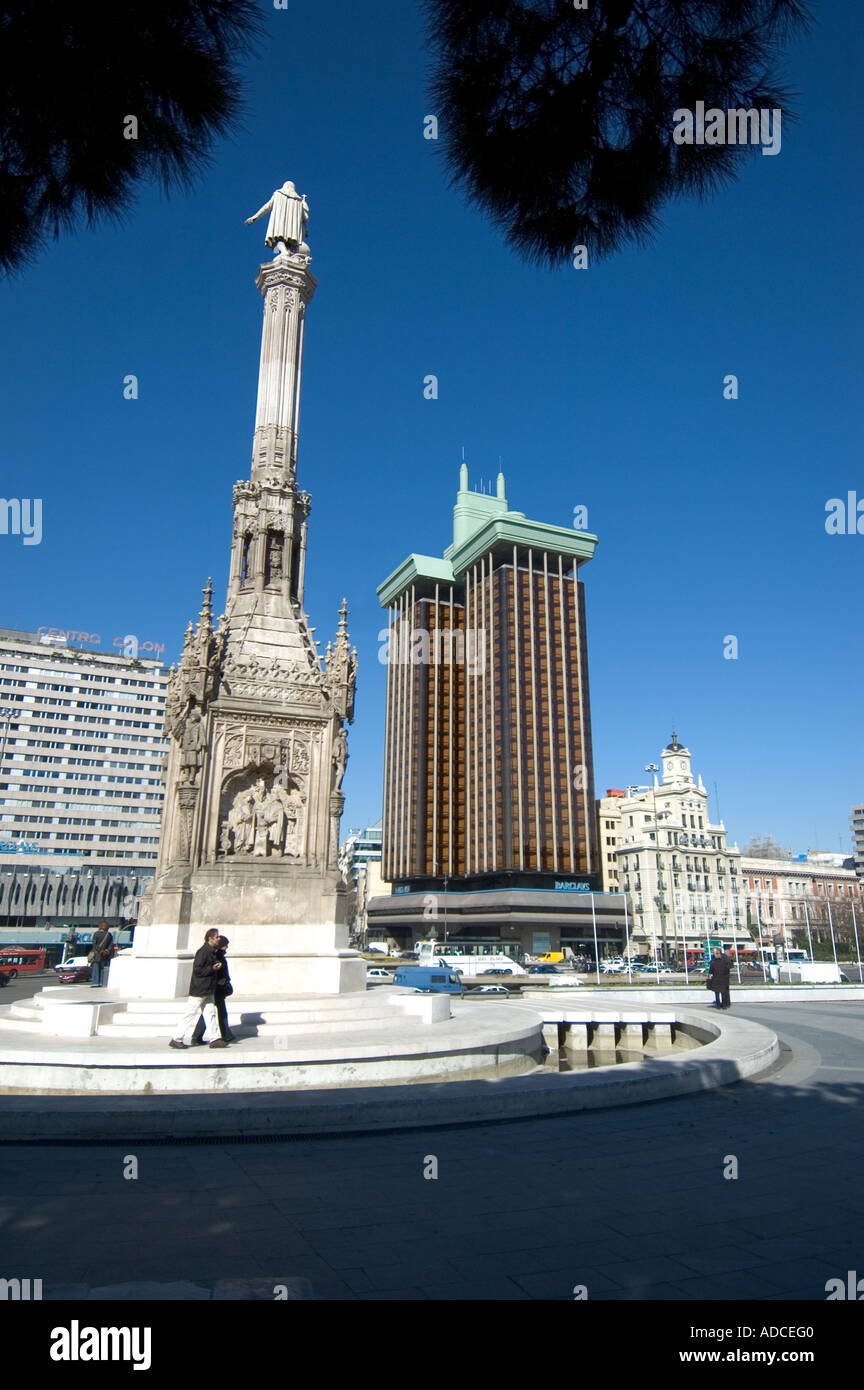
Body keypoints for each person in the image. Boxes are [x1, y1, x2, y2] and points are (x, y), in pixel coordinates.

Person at [169, 929, 228, 1049]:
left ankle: (214, 1038)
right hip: (200, 989)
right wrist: (213, 968)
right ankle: (176, 1038)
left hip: (208, 988)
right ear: (210, 939)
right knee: (190, 1012)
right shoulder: (203, 952)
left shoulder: (212, 952)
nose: (218, 939)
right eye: (216, 937)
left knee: (210, 1013)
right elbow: (198, 970)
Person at [191, 935, 236, 1044]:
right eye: (225, 945)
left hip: (217, 988)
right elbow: (209, 971)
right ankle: (225, 1035)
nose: (227, 948)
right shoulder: (215, 955)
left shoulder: (218, 955)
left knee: (210, 1013)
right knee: (217, 1013)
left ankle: (197, 1036)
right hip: (215, 988)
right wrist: (220, 980)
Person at [89, 921, 114, 988]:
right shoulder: (109, 934)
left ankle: (95, 983)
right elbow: (111, 944)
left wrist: (100, 950)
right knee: (103, 969)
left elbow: (94, 944)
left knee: (96, 968)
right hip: (105, 955)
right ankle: (101, 982)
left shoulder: (96, 934)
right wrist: (106, 950)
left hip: (97, 954)